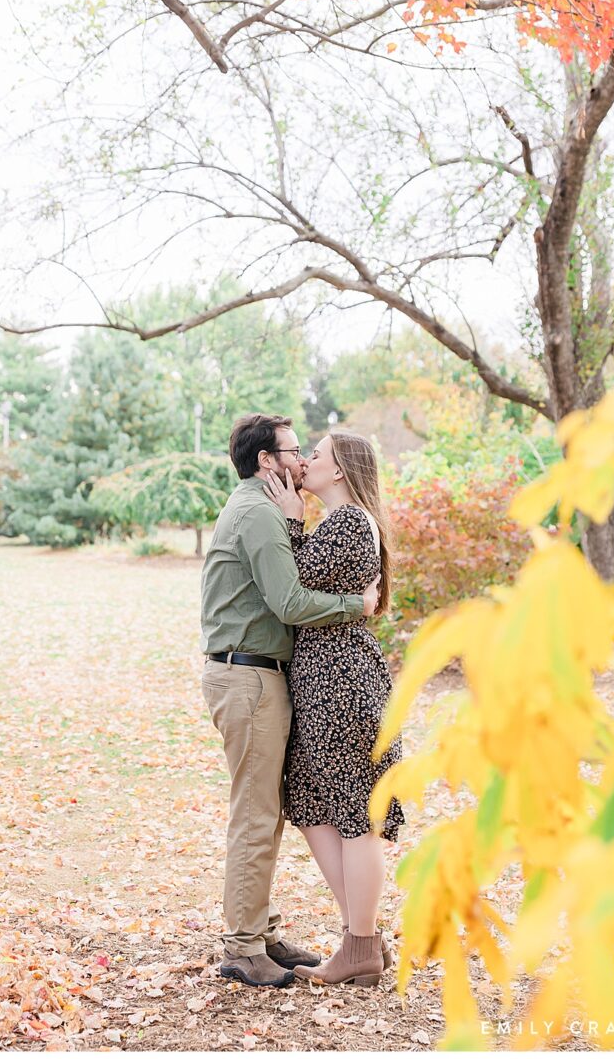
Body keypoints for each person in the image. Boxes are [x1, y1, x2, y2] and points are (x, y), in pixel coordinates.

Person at [198, 413, 381, 987]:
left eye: (309, 451)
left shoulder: (273, 510)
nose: (302, 460)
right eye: (295, 450)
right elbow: (290, 601)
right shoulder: (259, 513)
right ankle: (244, 946)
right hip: (248, 677)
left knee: (267, 812)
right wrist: (358, 606)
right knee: (257, 815)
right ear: (266, 462)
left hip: (262, 675)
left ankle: (261, 930)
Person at [259, 430, 403, 988]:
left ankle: (360, 945)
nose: (305, 462)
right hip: (327, 679)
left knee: (350, 812)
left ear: (339, 469)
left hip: (342, 681)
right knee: (313, 803)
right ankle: (361, 938)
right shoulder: (343, 522)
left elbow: (291, 592)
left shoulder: (345, 523)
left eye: (314, 454)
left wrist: (292, 522)